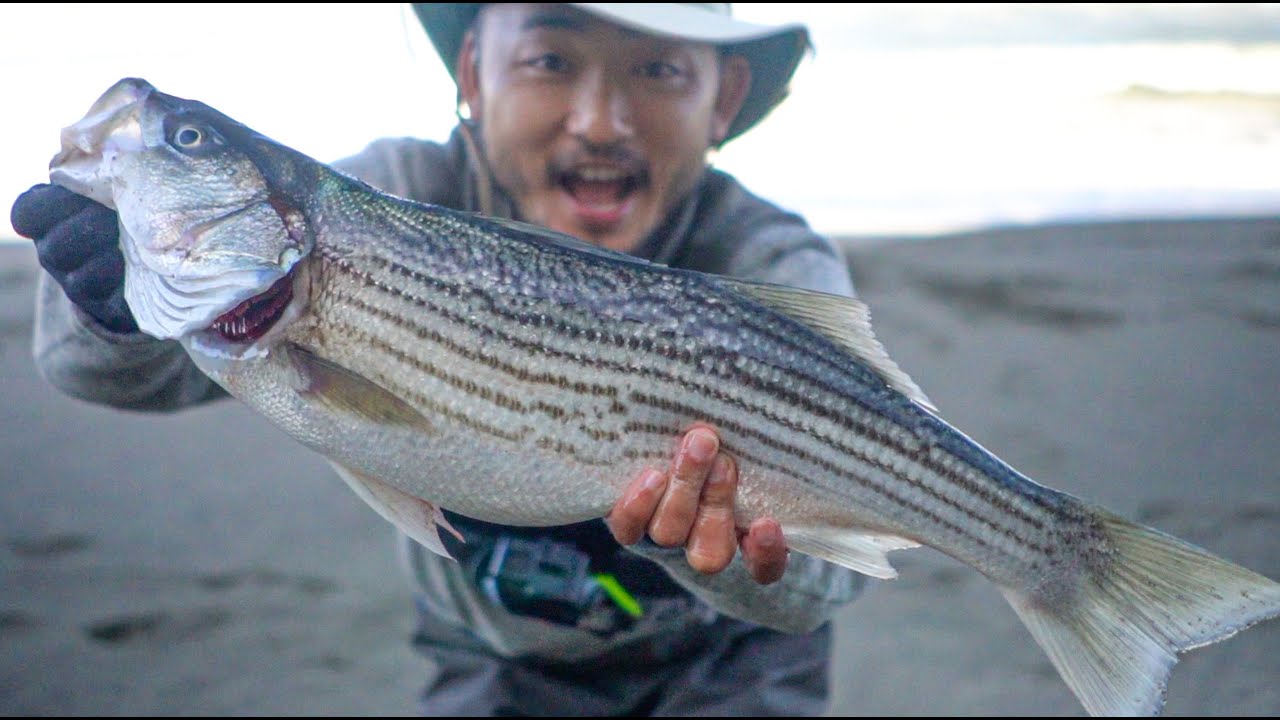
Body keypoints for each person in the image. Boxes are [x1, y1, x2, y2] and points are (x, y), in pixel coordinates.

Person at [11, 4, 865, 716]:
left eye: (658, 70)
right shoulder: (373, 205)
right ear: (472, 74)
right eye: (550, 60)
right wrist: (115, 303)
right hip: (493, 657)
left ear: (726, 97)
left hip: (733, 663)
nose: (600, 121)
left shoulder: (772, 264)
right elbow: (101, 371)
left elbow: (828, 580)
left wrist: (716, 548)